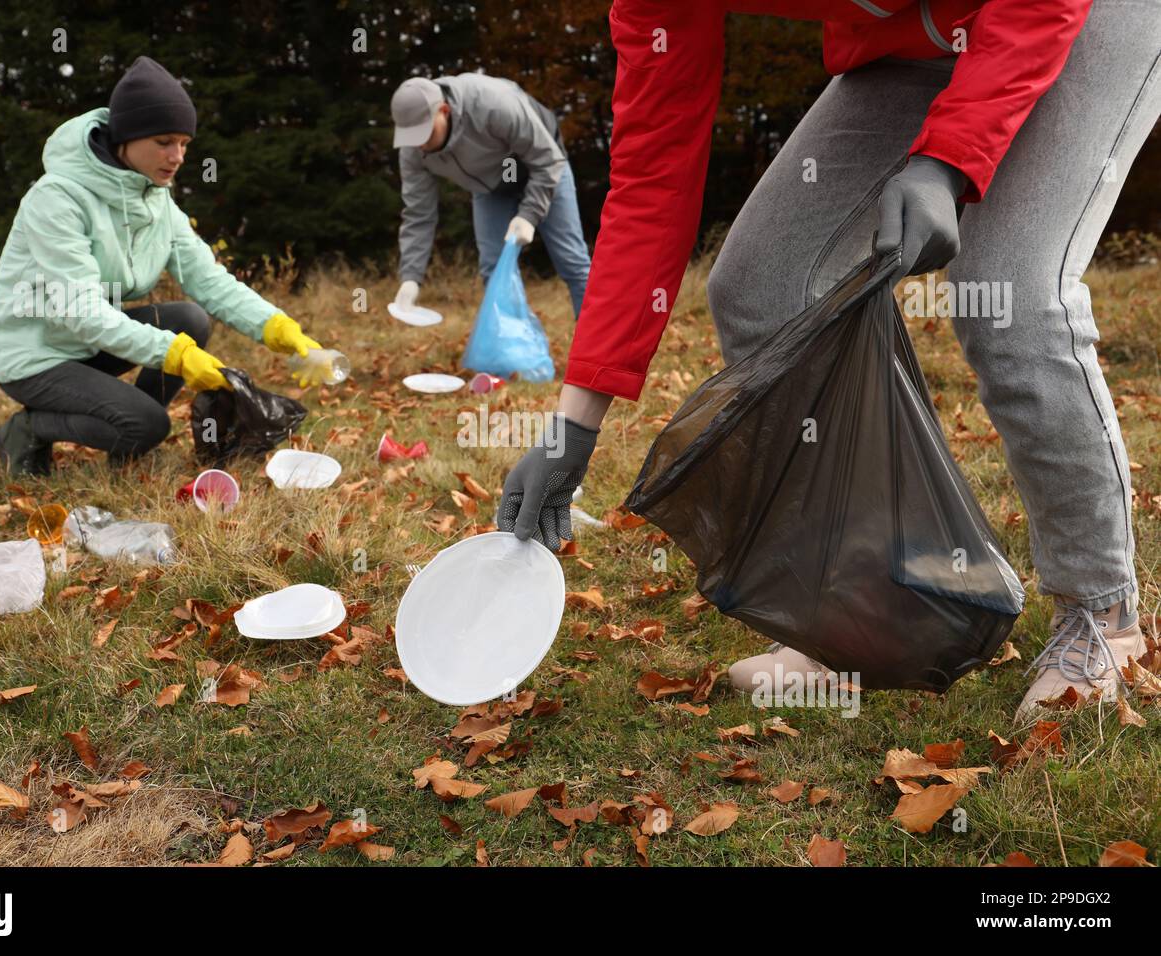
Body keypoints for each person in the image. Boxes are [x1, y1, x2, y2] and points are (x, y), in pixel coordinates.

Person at [497, 0, 1161, 723]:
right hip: (918, 39)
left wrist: (948, 158)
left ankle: (1102, 616)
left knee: (1006, 292)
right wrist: (575, 426)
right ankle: (855, 614)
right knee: (763, 283)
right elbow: (652, 183)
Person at [0, 56, 322, 476]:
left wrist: (278, 328)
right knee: (148, 422)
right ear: (126, 137)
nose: (177, 156)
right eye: (164, 141)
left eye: (184, 143)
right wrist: (174, 355)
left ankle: (126, 434)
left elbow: (208, 280)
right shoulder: (58, 199)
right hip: (34, 355)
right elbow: (80, 313)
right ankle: (28, 428)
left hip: (84, 345)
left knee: (188, 318)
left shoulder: (155, 199)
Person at [389, 74, 592, 319]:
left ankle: (596, 351)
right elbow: (418, 215)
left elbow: (547, 160)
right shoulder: (413, 151)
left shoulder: (493, 104)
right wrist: (410, 279)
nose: (420, 144)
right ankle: (512, 350)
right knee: (494, 270)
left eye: (425, 133)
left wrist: (529, 215)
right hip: (492, 185)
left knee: (572, 261)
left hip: (544, 167)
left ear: (444, 110)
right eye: (412, 137)